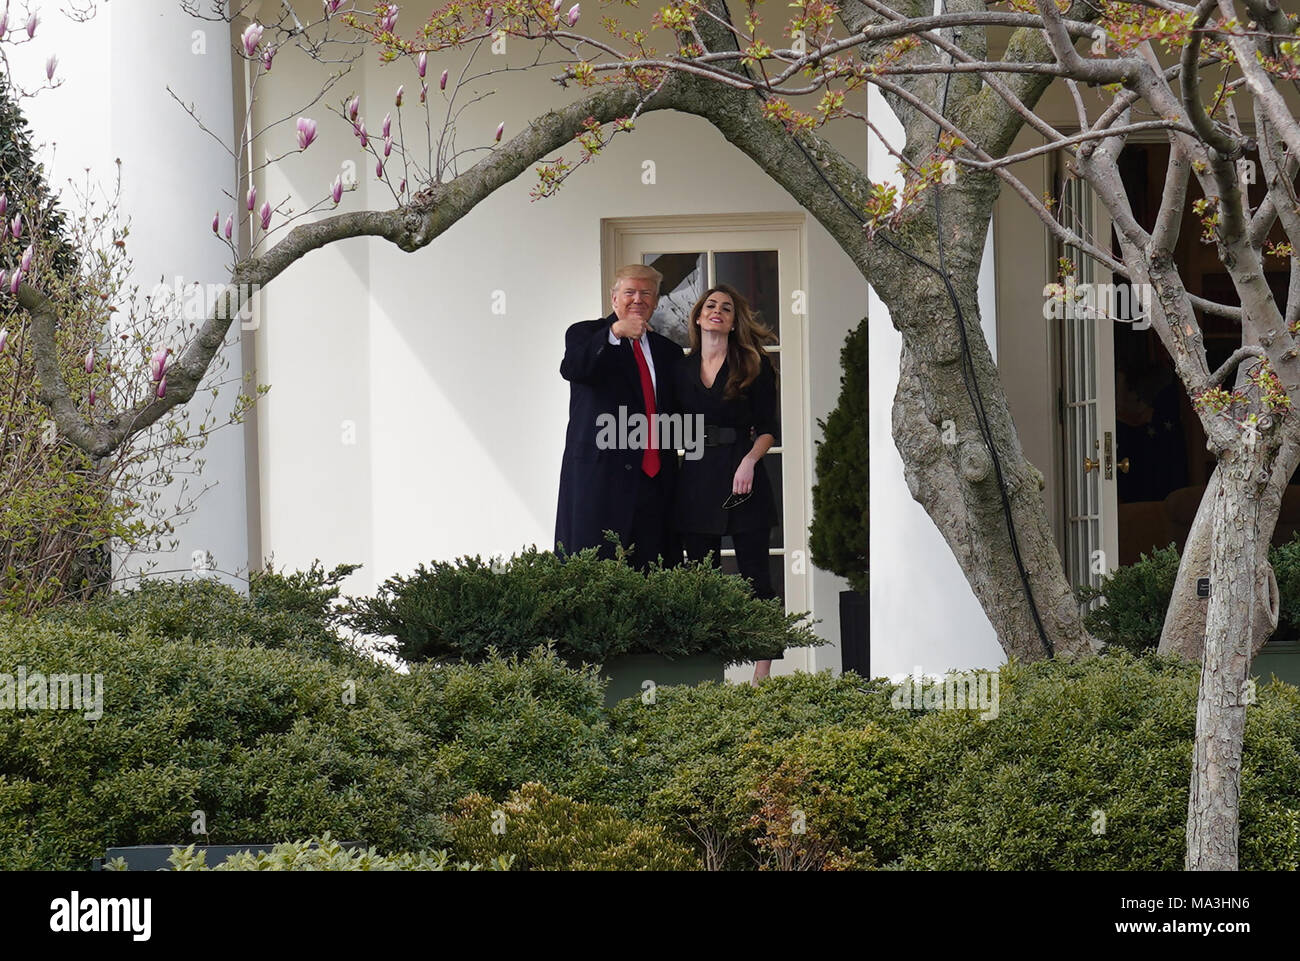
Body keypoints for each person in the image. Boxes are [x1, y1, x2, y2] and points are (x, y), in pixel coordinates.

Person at [673, 283, 781, 683]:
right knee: (701, 578)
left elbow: (769, 429)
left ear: (735, 323)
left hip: (743, 478)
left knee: (756, 575)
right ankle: (707, 670)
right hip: (697, 478)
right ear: (699, 317)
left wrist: (750, 461)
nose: (718, 311)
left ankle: (762, 673)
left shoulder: (754, 364)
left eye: (727, 308)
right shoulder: (680, 369)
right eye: (711, 306)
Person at [555, 265, 683, 570]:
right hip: (600, 481)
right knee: (596, 574)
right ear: (614, 299)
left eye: (646, 293)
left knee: (655, 575)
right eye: (630, 292)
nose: (638, 299)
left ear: (655, 302)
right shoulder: (585, 334)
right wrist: (614, 333)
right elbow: (573, 368)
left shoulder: (669, 352)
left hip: (654, 482)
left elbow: (678, 411)